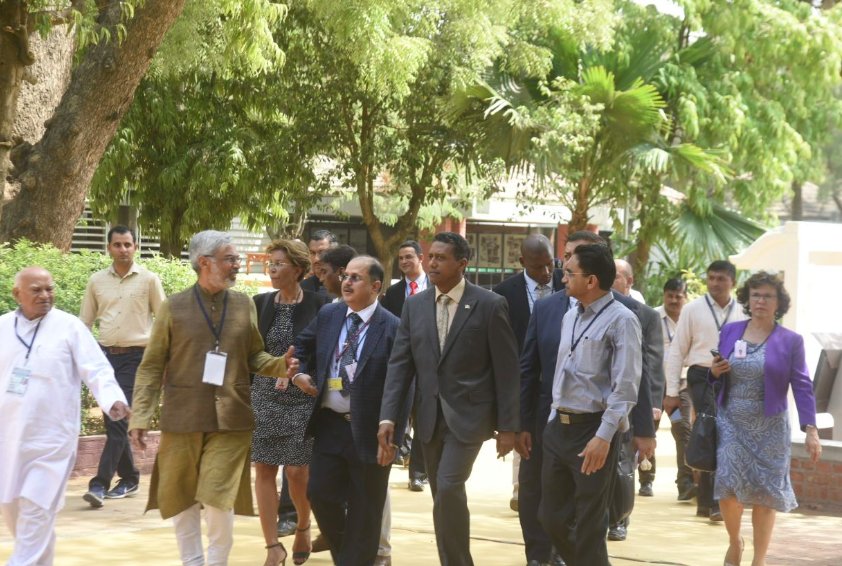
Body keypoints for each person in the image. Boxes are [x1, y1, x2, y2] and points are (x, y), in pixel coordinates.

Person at [128, 231, 296, 566]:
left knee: (218, 496)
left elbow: (253, 356)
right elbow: (151, 366)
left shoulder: (244, 304)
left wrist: (280, 366)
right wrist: (140, 416)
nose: (237, 265)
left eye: (235, 259)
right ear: (205, 263)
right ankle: (193, 561)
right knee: (183, 498)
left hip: (232, 419)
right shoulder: (173, 307)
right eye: (230, 259)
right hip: (183, 418)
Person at [378, 231, 520, 566]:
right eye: (431, 257)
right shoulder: (414, 306)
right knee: (442, 494)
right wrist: (388, 417)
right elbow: (400, 365)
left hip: (470, 417)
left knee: (448, 484)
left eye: (441, 258)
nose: (433, 263)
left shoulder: (488, 304)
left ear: (462, 263)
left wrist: (510, 426)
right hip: (428, 416)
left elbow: (507, 369)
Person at [1, 267, 129, 565]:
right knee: (18, 515)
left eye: (50, 288)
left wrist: (113, 401)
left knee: (36, 509)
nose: (46, 295)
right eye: (37, 290)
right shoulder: (3, 327)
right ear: (17, 294)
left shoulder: (69, 327)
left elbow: (96, 369)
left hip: (52, 440)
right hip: (8, 439)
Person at [290, 256, 402, 566]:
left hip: (371, 430)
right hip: (330, 424)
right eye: (345, 276)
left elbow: (404, 384)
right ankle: (352, 558)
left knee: (366, 510)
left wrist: (394, 432)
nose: (347, 283)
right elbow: (301, 346)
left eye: (356, 278)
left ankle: (354, 559)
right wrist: (299, 374)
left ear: (376, 286)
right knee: (320, 494)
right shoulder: (329, 314)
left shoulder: (392, 327)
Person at [538, 244, 642, 566]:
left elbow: (625, 388)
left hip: (593, 432)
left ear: (592, 280)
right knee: (550, 517)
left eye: (570, 273)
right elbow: (561, 371)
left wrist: (604, 436)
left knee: (589, 526)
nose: (563, 277)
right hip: (559, 429)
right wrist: (553, 418)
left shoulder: (622, 321)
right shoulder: (570, 315)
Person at [711, 271, 821, 566]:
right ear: (748, 299)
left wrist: (811, 428)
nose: (760, 300)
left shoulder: (790, 341)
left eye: (767, 296)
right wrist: (714, 372)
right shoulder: (731, 331)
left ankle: (759, 561)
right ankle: (735, 541)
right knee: (728, 488)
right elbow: (715, 377)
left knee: (765, 495)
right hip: (732, 420)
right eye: (755, 294)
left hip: (771, 425)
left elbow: (802, 385)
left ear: (778, 303)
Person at [79, 225, 166, 508]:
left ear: (135, 247)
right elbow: (84, 325)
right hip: (105, 358)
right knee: (114, 418)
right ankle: (130, 477)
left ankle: (98, 484)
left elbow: (164, 322)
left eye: (128, 244)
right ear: (109, 248)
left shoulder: (149, 280)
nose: (123, 249)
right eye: (117, 244)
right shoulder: (96, 282)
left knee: (117, 419)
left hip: (136, 358)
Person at [252, 240, 327, 566]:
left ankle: (302, 525)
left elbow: (324, 351)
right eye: (271, 263)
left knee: (297, 472)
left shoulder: (320, 304)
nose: (272, 269)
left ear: (297, 269)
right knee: (264, 469)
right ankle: (272, 546)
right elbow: (251, 352)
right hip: (265, 396)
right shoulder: (260, 303)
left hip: (302, 398)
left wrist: (300, 373)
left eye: (279, 263)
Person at [492, 233, 564, 566]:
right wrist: (511, 419)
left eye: (550, 263)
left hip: (565, 398)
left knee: (563, 483)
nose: (547, 272)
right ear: (522, 263)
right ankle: (536, 554)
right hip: (526, 399)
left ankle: (561, 551)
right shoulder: (504, 295)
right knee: (530, 484)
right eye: (538, 267)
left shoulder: (571, 283)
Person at [664, 260, 746, 521]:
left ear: (732, 281)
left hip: (734, 376)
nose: (714, 283)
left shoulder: (744, 311)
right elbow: (677, 351)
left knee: (728, 433)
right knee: (712, 429)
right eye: (710, 278)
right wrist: (672, 391)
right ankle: (712, 503)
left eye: (721, 278)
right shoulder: (693, 309)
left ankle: (710, 502)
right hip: (702, 375)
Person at [610, 259, 665, 500]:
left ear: (629, 281)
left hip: (630, 401)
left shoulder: (647, 316)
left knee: (624, 460)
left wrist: (653, 403)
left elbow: (651, 363)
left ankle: (621, 519)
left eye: (615, 276)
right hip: (598, 400)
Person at [380, 240, 429, 492]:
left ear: (421, 258)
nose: (404, 262)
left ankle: (418, 473)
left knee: (423, 417)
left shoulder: (434, 287)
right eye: (400, 259)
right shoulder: (395, 294)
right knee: (398, 415)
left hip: (429, 363)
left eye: (409, 257)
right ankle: (396, 453)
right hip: (401, 363)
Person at [654, 278, 695, 501]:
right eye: (669, 295)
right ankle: (646, 477)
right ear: (664, 295)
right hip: (656, 388)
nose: (673, 300)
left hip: (680, 388)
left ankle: (685, 483)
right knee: (647, 430)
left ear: (685, 297)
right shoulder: (652, 317)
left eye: (678, 296)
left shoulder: (691, 319)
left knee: (682, 430)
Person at [301, 230, 338, 298]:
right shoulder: (303, 288)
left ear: (334, 253)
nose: (316, 259)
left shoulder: (344, 286)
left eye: (321, 252)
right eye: (312, 253)